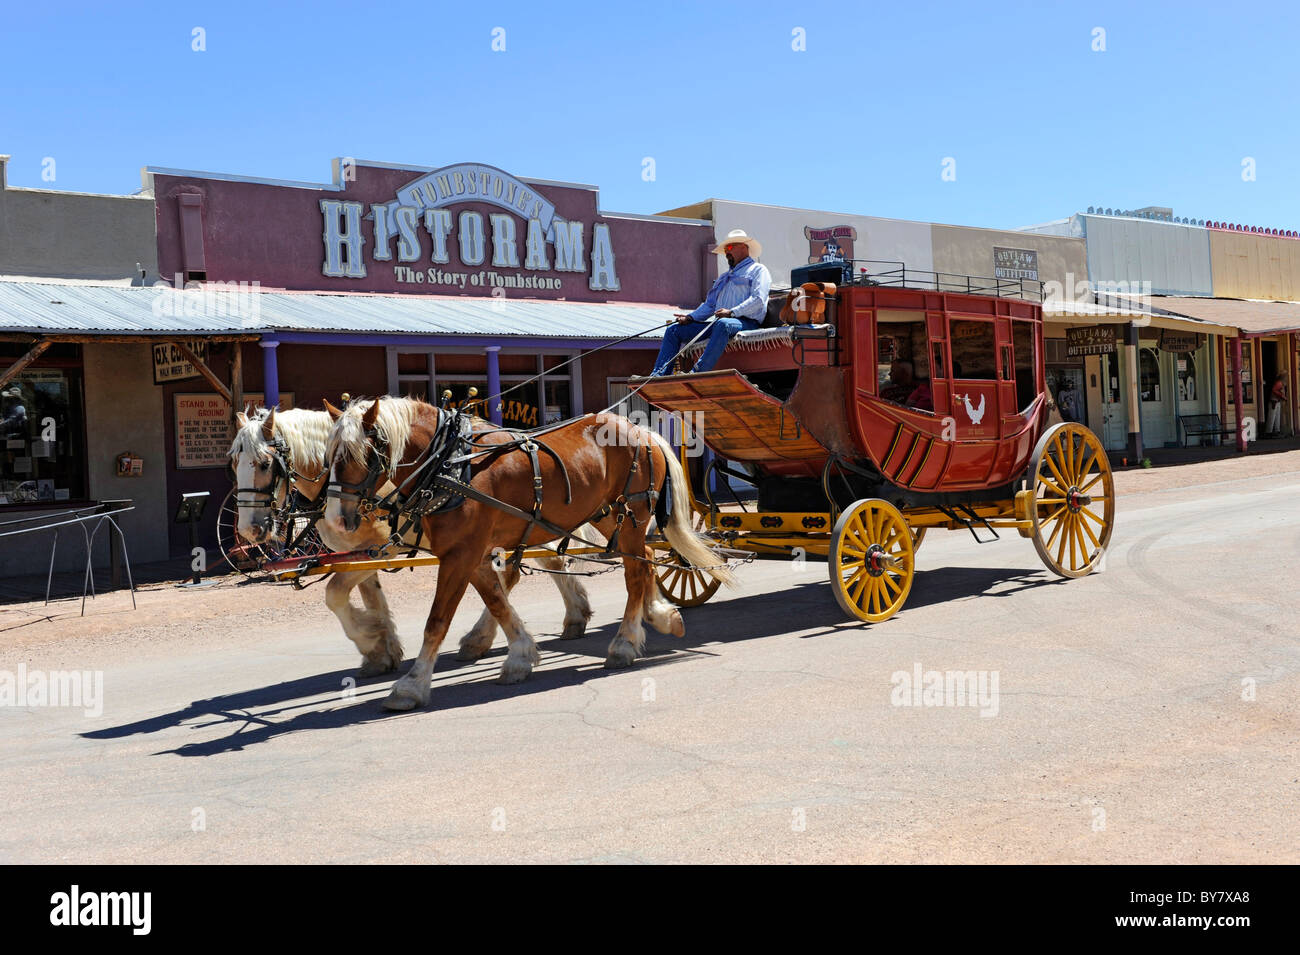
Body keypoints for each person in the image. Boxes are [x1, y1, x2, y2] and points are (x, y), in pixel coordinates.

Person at [650, 230, 771, 376]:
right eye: (725, 249)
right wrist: (691, 317)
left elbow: (758, 299)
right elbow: (710, 305)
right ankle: (658, 375)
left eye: (730, 248)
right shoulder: (724, 277)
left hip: (746, 323)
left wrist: (732, 312)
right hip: (721, 325)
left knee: (723, 323)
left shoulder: (758, 270)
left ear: (744, 247)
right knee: (673, 330)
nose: (726, 252)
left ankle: (697, 372)